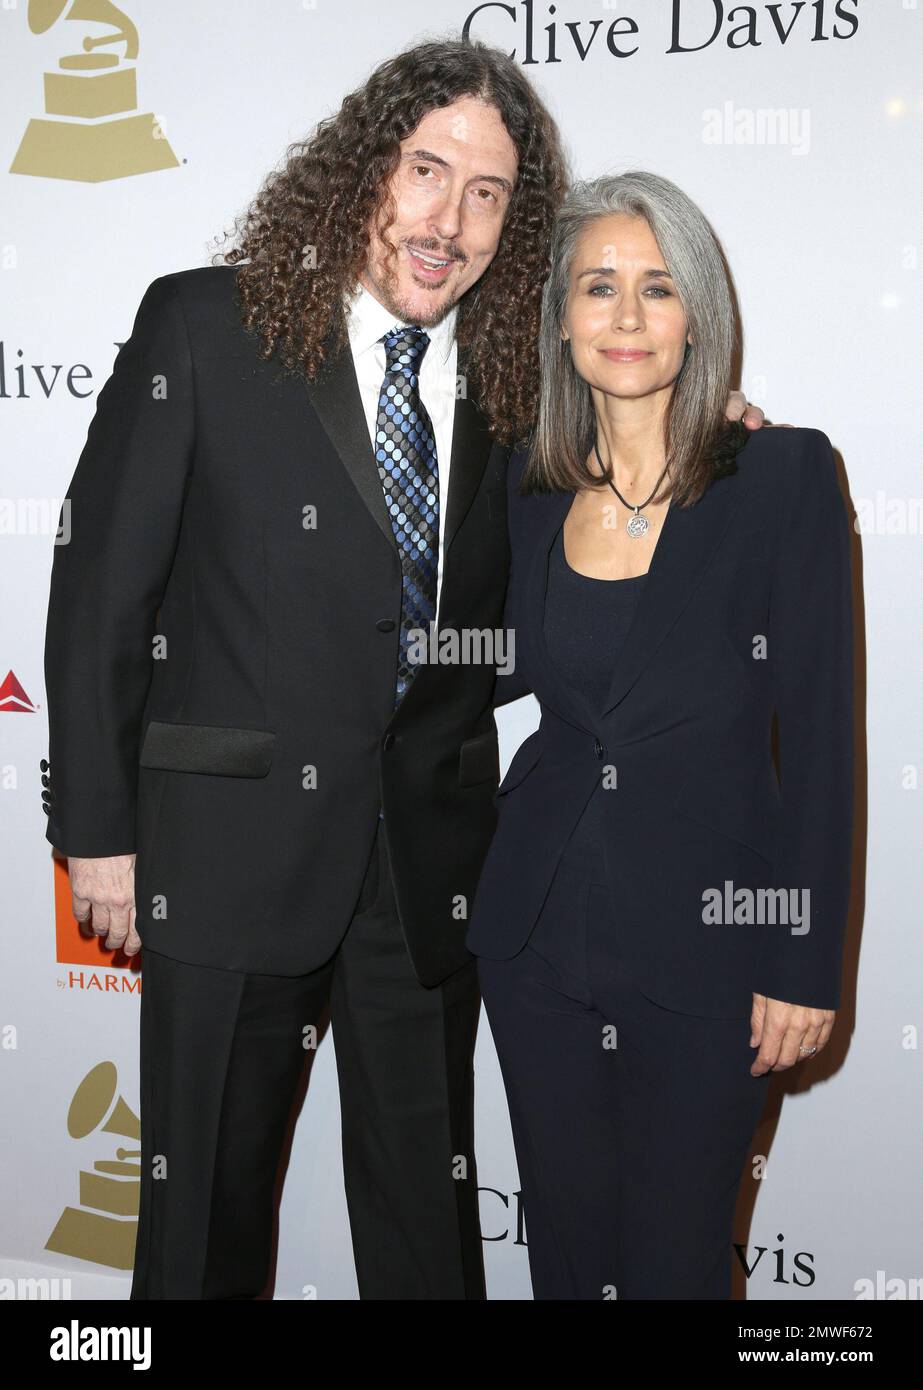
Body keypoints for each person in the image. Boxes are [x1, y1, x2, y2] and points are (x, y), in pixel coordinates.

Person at [40, 41, 766, 1301]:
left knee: (428, 1244)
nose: (449, 219)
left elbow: (553, 573)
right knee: (200, 1229)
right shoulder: (205, 324)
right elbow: (101, 593)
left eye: (487, 193)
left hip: (425, 872)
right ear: (360, 170)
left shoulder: (513, 390)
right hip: (222, 857)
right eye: (426, 170)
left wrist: (717, 430)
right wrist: (98, 836)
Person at [468, 171, 854, 1301]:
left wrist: (799, 956)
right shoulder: (526, 484)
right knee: (568, 1262)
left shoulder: (779, 475)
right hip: (535, 938)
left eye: (657, 288)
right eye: (597, 287)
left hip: (711, 951)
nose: (626, 318)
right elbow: (480, 664)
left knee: (677, 1267)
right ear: (561, 319)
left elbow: (823, 737)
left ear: (700, 315)